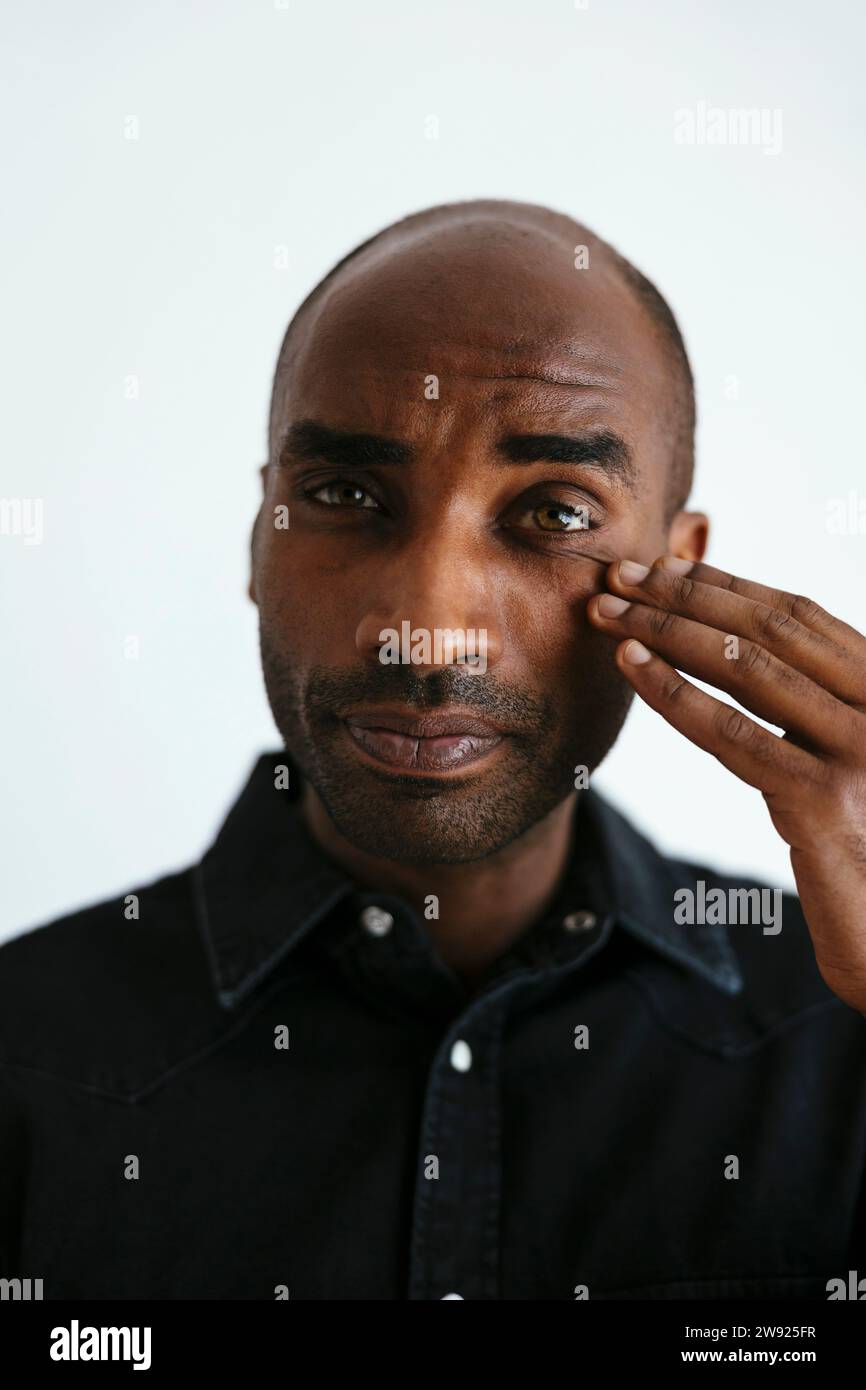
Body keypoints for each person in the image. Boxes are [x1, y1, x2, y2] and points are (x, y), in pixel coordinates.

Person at [3, 198, 866, 1301]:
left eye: (553, 513)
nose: (430, 622)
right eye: (345, 494)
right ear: (259, 538)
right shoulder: (25, 1053)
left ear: (677, 572)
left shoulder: (834, 1027)